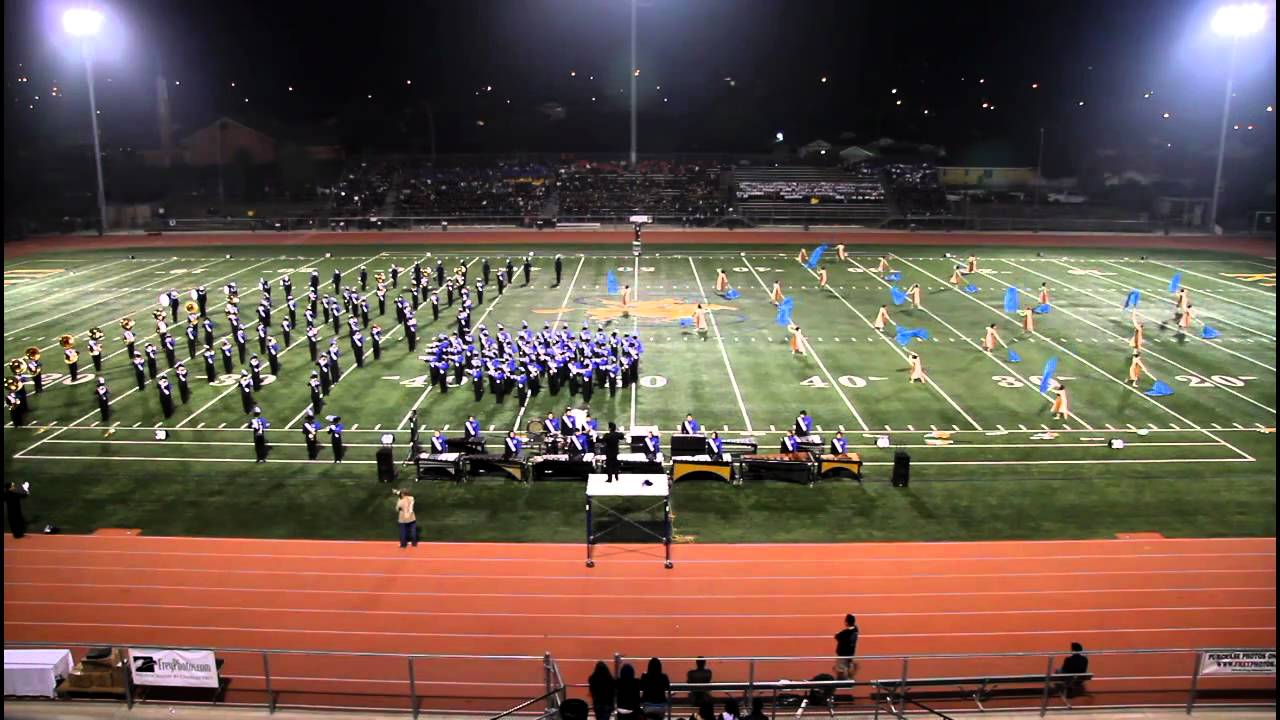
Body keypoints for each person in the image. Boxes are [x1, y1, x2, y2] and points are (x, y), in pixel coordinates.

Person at [834, 613, 859, 680]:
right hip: (851, 652)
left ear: (847, 622)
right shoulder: (856, 629)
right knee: (848, 667)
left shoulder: (845, 633)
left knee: (840, 671)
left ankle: (842, 681)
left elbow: (837, 636)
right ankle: (850, 677)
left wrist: (837, 634)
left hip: (843, 654)